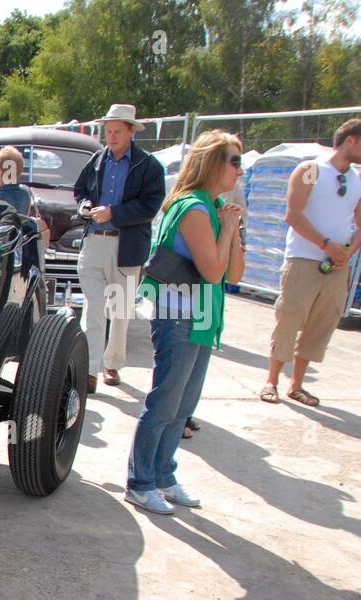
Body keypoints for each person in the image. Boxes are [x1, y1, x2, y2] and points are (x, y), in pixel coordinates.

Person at [125, 131, 245, 516]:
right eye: (234, 160)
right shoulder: (193, 208)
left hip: (202, 315)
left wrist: (233, 229)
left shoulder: (214, 206)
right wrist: (226, 231)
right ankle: (140, 482)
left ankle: (163, 474)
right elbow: (213, 271)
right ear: (212, 162)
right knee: (165, 402)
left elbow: (235, 272)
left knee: (183, 405)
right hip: (178, 313)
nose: (239, 170)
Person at [259, 118, 361, 407]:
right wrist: (326, 244)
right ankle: (271, 381)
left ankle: (297, 385)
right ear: (350, 140)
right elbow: (293, 215)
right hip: (304, 259)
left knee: (322, 323)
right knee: (290, 316)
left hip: (337, 266)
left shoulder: (357, 178)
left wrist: (347, 253)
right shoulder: (310, 170)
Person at [74, 104, 166, 392]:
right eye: (108, 131)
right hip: (95, 241)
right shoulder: (97, 161)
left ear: (130, 131)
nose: (111, 136)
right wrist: (85, 206)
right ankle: (90, 370)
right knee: (94, 309)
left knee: (121, 311)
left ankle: (111, 363)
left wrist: (114, 213)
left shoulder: (147, 165)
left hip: (126, 246)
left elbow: (150, 205)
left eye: (117, 131)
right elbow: (80, 191)